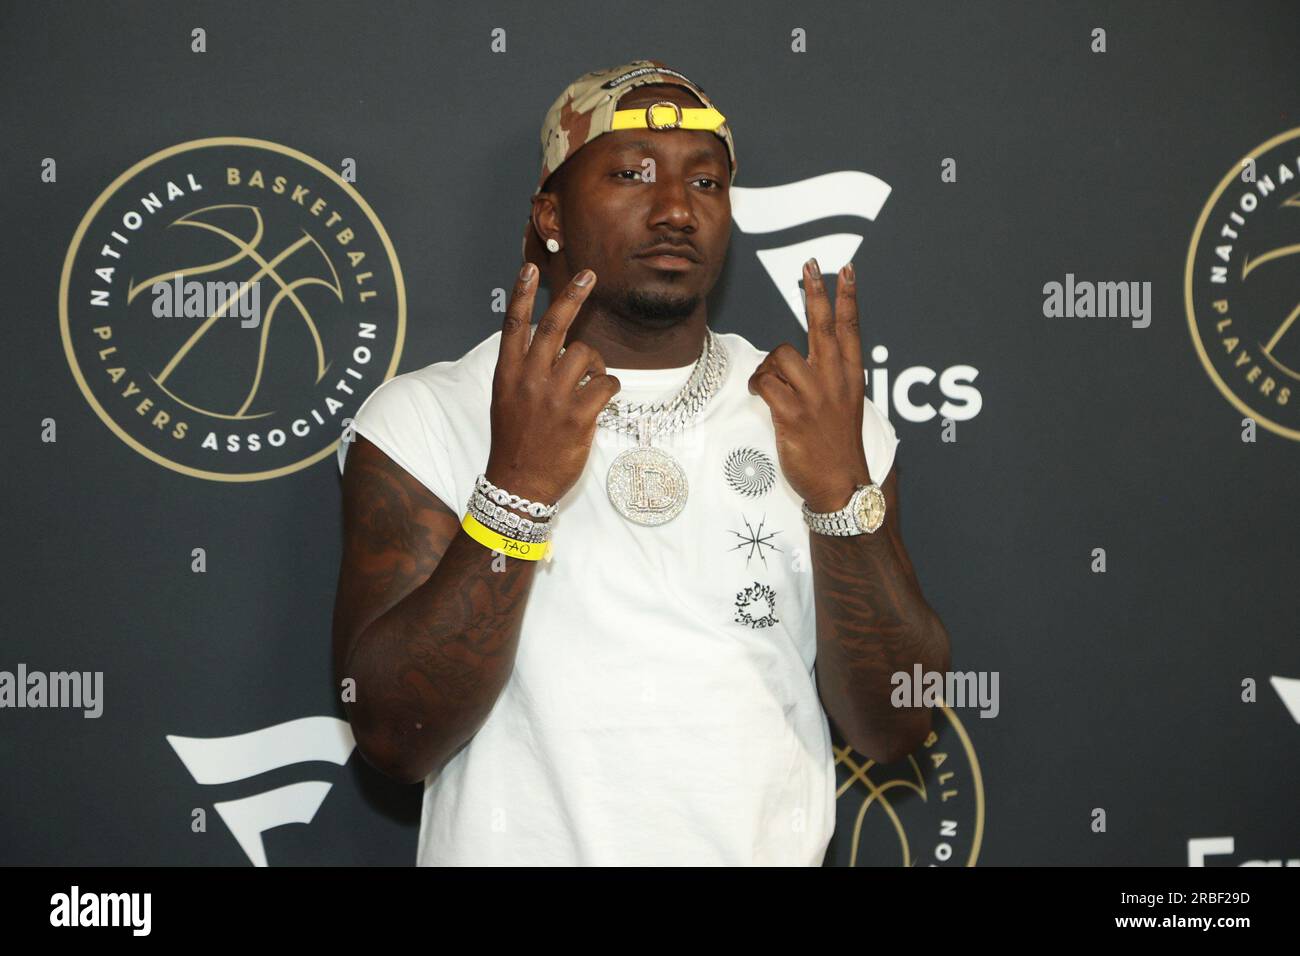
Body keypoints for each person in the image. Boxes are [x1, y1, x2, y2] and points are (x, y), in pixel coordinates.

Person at [331, 58, 951, 866]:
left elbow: (897, 725)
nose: (674, 212)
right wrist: (515, 492)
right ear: (550, 214)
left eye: (706, 184)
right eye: (631, 175)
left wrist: (839, 493)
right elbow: (393, 736)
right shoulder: (429, 416)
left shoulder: (820, 418)